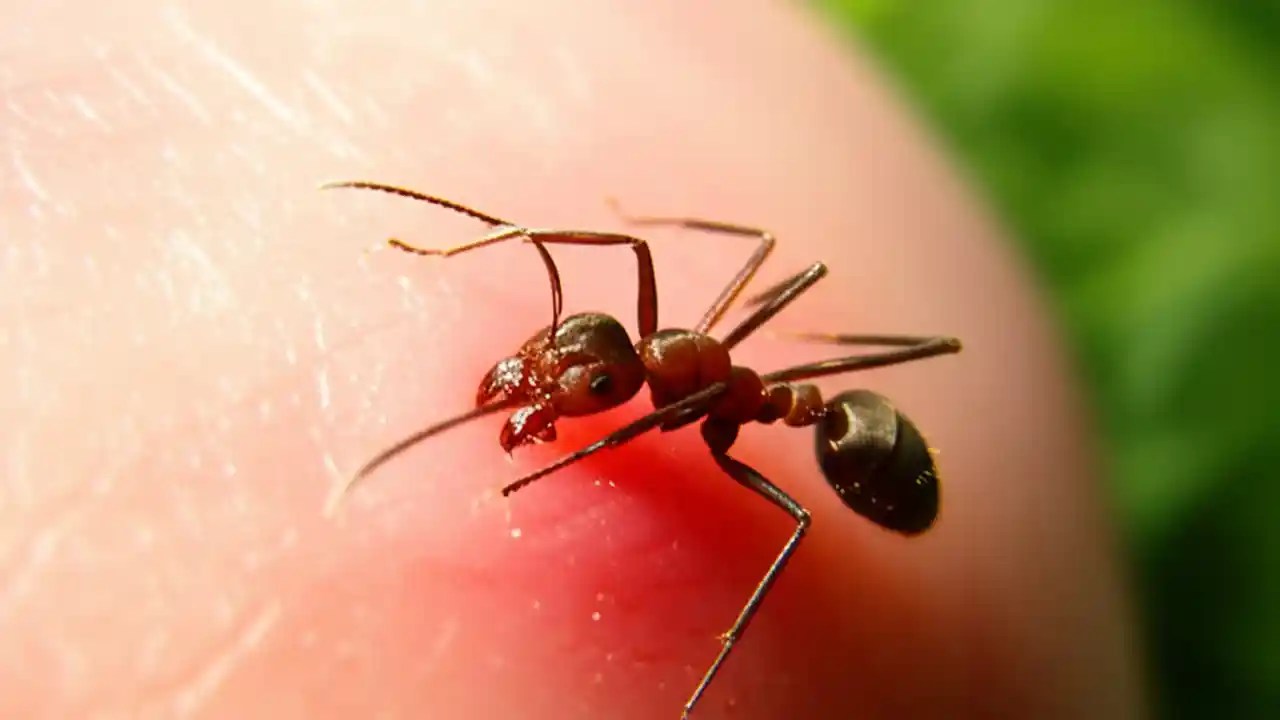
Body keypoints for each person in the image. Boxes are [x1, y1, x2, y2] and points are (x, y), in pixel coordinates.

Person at [0, 2, 1145, 717]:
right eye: (580, 376)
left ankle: (711, 678)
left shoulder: (696, 399)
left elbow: (659, 412)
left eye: (588, 388)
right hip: (781, 394)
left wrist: (559, 464)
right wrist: (498, 244)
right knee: (685, 267)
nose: (563, 384)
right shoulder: (673, 365)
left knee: (786, 511)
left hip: (861, 445)